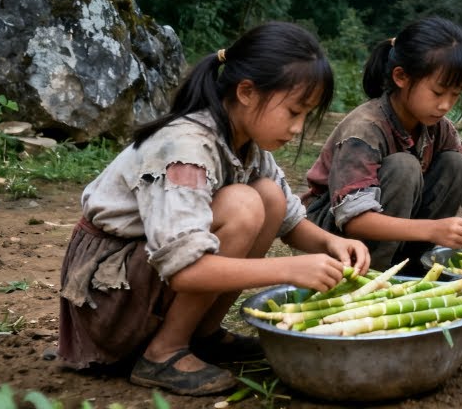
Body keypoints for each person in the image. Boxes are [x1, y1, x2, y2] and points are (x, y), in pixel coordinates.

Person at [57, 22, 371, 396]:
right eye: (293, 112)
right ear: (247, 92)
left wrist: (331, 243)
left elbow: (288, 220)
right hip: (109, 299)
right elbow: (184, 271)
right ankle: (163, 352)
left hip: (145, 281)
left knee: (268, 195)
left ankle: (201, 334)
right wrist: (290, 269)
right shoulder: (185, 150)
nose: (297, 128)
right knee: (243, 204)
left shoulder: (246, 144)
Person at [303, 16, 462, 271]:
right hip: (334, 235)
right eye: (437, 92)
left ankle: (413, 269)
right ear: (401, 77)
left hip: (393, 231)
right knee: (404, 167)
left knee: (455, 164)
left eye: (455, 95)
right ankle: (371, 275)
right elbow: (354, 219)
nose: (445, 105)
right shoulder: (364, 130)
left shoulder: (437, 126)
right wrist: (432, 229)